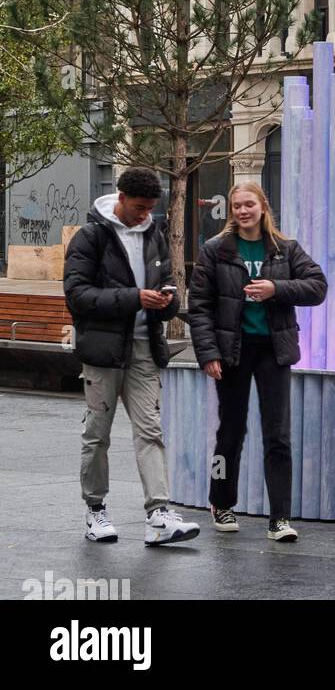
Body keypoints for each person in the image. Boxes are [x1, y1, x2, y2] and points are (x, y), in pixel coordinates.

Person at [64, 166, 201, 545]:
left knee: (150, 431)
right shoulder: (91, 236)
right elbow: (77, 296)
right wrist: (134, 298)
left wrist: (166, 301)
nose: (145, 215)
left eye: (150, 209)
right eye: (139, 208)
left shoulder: (154, 234)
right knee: (97, 434)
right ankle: (95, 510)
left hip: (145, 348)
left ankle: (158, 514)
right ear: (121, 198)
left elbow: (166, 283)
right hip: (103, 350)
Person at [187, 181, 327, 541]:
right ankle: (221, 502)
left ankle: (280, 517)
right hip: (232, 352)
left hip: (273, 351)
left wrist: (276, 289)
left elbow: (317, 287)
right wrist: (208, 353)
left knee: (278, 435)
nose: (243, 211)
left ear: (263, 206)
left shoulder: (285, 249)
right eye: (237, 206)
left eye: (249, 204)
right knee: (230, 431)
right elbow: (199, 306)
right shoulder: (215, 250)